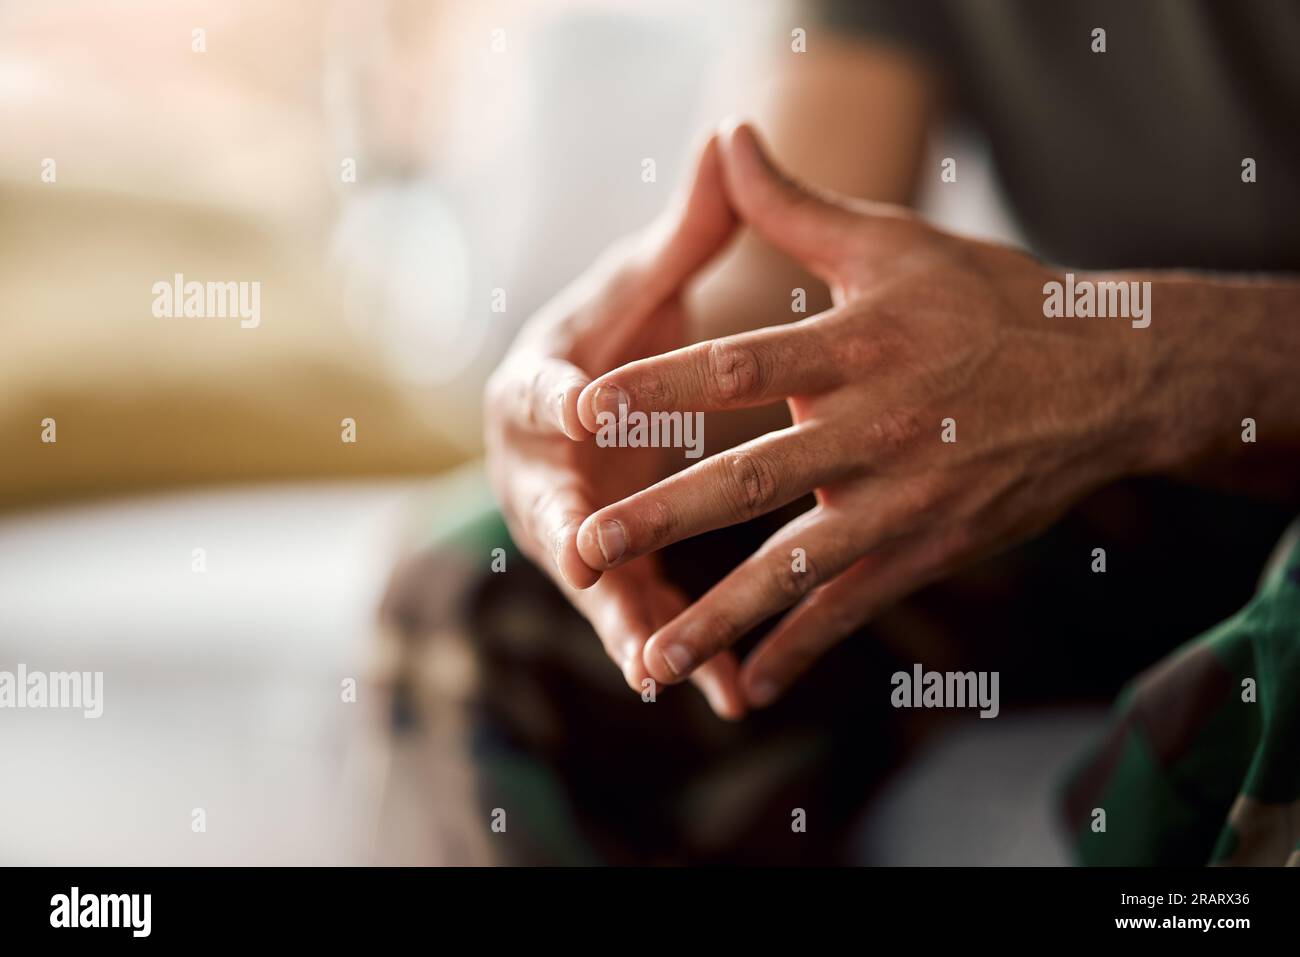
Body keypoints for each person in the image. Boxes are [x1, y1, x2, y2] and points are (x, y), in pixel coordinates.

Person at [465, 0, 1300, 863]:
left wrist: (1127, 362)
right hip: (1142, 489)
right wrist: (622, 389)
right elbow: (780, 275)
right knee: (486, 605)